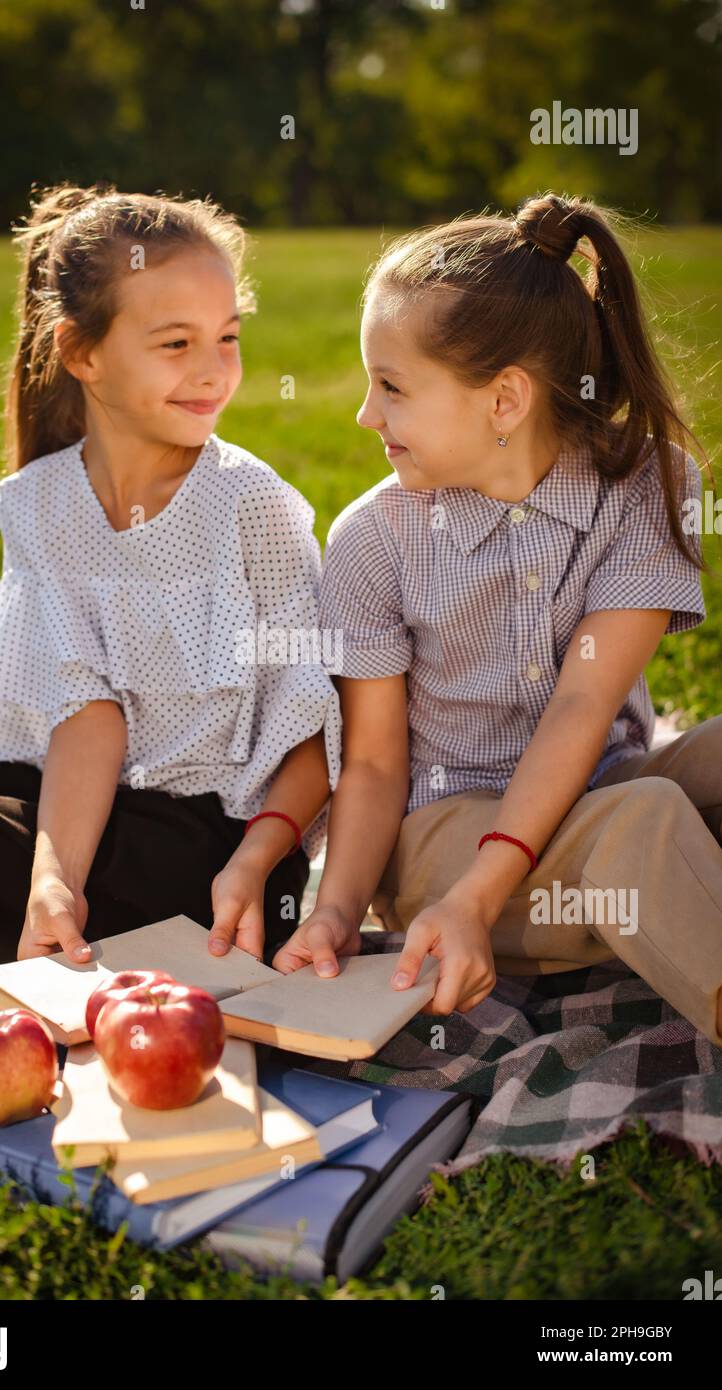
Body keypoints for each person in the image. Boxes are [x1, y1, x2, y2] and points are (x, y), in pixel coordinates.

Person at [273, 190, 722, 1047]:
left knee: (669, 787)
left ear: (505, 400)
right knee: (646, 824)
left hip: (603, 784)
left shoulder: (645, 482)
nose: (367, 416)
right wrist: (337, 912)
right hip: (443, 845)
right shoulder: (374, 538)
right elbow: (369, 764)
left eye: (393, 388)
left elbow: (584, 710)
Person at [0, 183, 340, 972]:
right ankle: (47, 903)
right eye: (176, 344)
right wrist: (55, 876)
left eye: (227, 338)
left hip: (208, 856)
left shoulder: (250, 504)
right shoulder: (40, 501)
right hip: (87, 798)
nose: (214, 372)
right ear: (82, 353)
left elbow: (317, 729)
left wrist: (254, 864)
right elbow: (88, 717)